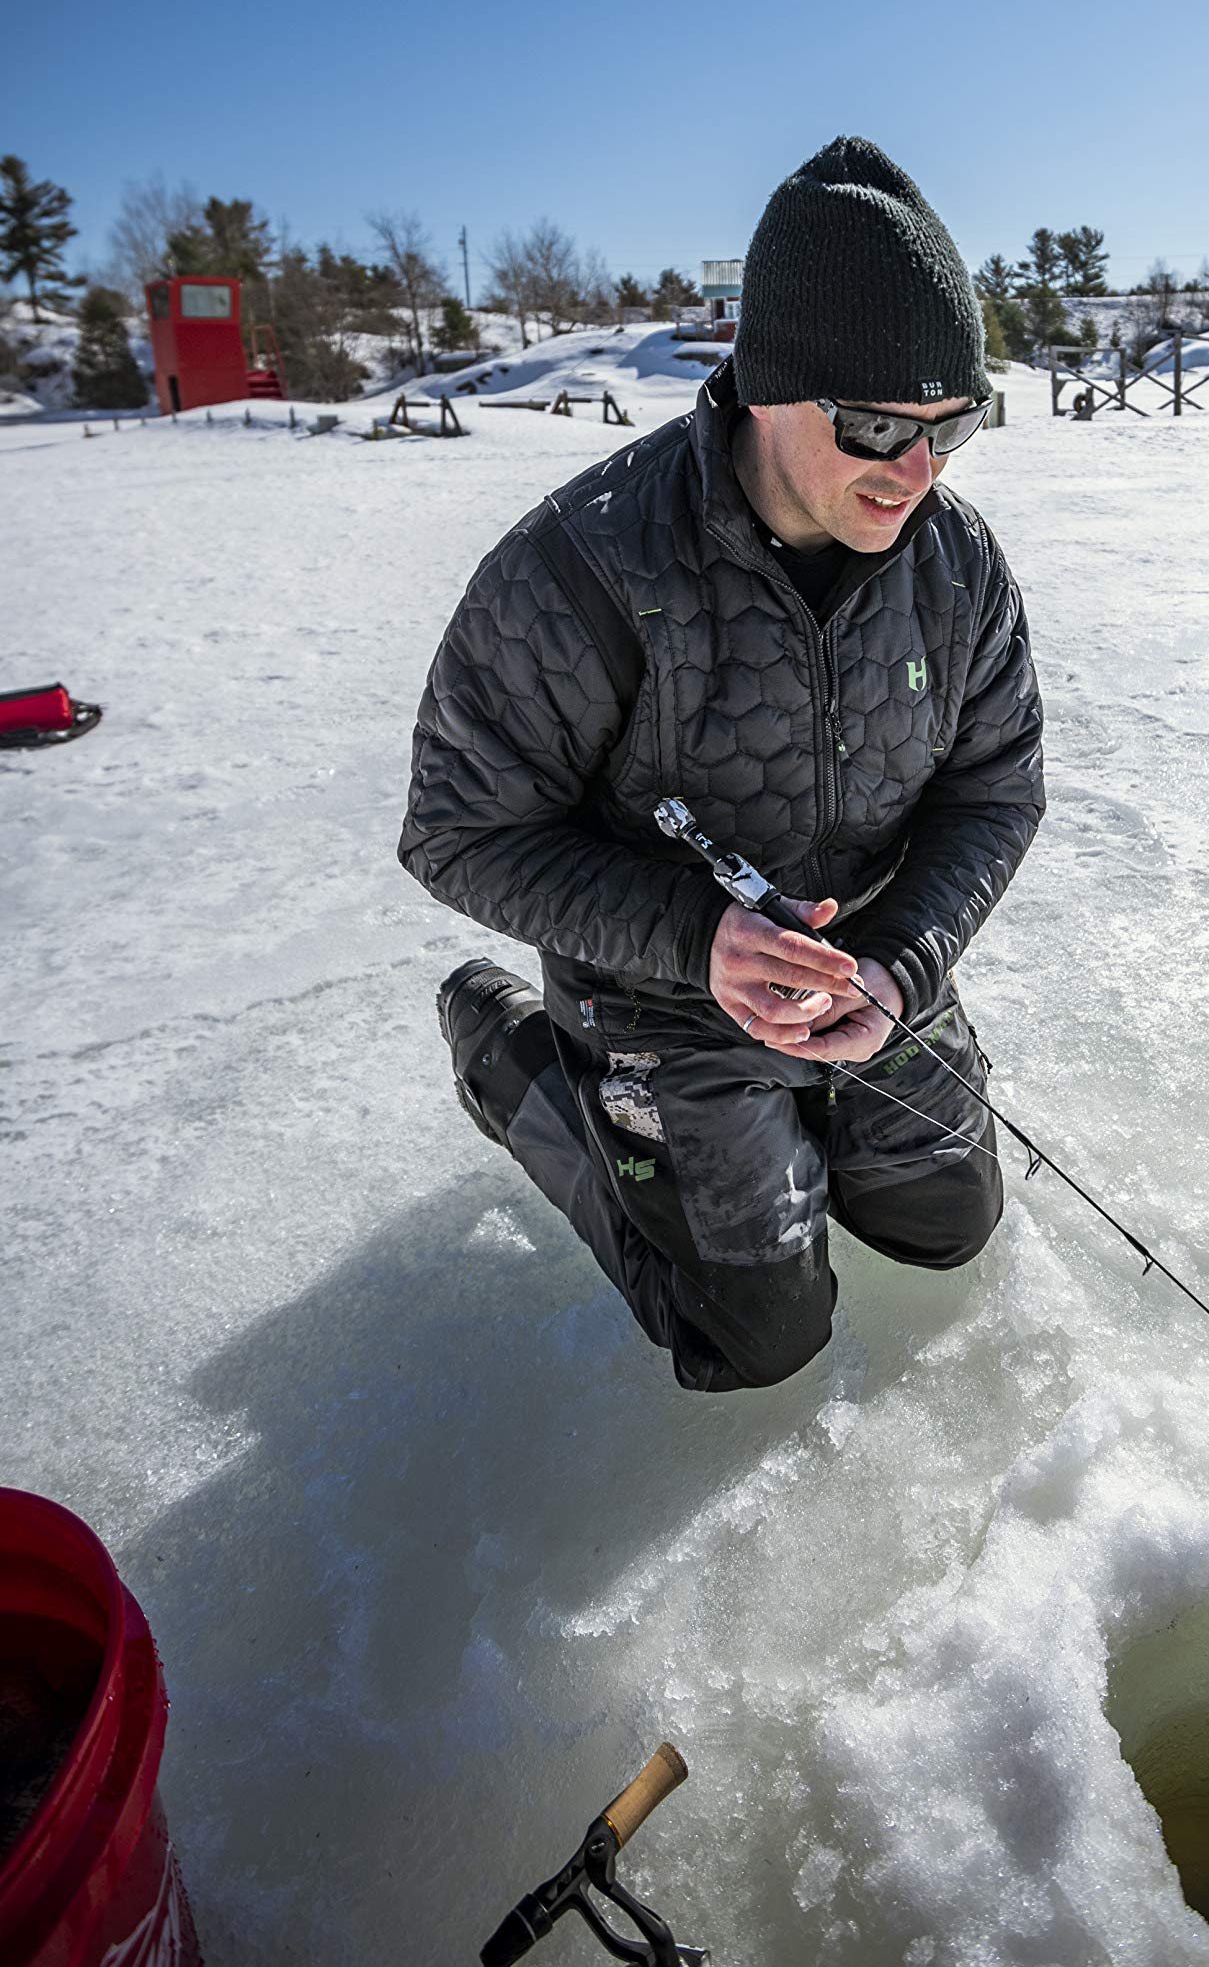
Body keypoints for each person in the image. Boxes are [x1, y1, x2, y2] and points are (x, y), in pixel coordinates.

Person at [399, 137, 1045, 1391]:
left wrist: (900, 961)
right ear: (767, 385)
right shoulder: (579, 570)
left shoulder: (955, 564)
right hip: (659, 989)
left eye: (954, 425)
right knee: (753, 1333)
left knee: (947, 1224)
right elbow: (456, 831)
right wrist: (700, 940)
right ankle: (513, 1055)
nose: (918, 472)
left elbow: (996, 784)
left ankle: (812, 1112)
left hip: (864, 961)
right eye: (875, 428)